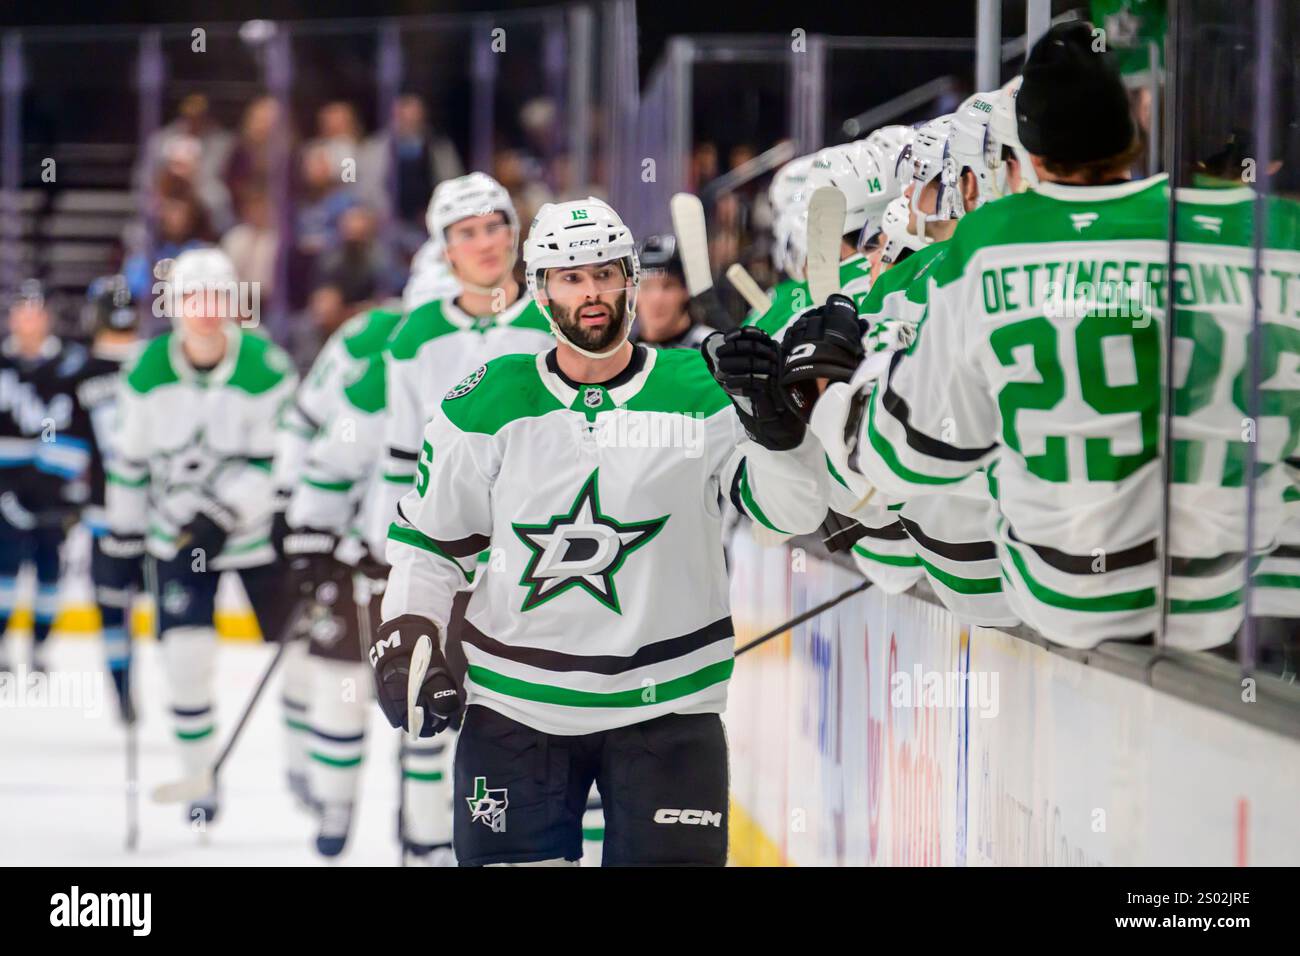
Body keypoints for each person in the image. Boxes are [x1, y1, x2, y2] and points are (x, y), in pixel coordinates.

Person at [799, 21, 1300, 651]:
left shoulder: (992, 246)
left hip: (1059, 602)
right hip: (1247, 604)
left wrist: (834, 394)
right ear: (1133, 132)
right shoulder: (1243, 234)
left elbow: (900, 456)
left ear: (1025, 158)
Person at [371, 197, 827, 866]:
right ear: (539, 289)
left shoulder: (699, 390)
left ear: (630, 281)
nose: (591, 293)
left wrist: (776, 428)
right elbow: (429, 541)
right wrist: (409, 625)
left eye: (606, 274)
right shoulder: (489, 399)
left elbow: (790, 514)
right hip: (515, 712)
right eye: (571, 277)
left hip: (668, 709)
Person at [105, 247, 299, 824]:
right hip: (175, 537)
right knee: (185, 657)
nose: (206, 310)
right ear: (174, 307)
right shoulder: (145, 370)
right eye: (193, 298)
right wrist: (122, 537)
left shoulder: (267, 365)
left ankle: (306, 768)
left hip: (256, 536)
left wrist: (222, 514)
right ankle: (199, 779)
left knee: (306, 659)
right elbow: (130, 463)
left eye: (217, 297)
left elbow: (280, 461)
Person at [0, 283, 95, 675]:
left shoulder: (69, 365)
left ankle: (40, 646)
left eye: (35, 312)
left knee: (48, 566)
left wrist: (61, 481)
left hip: (52, 483)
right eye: (21, 311)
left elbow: (74, 429)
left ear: (47, 318)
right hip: (4, 484)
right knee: (4, 566)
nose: (27, 320)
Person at [75, 276, 144, 720]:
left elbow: (67, 447)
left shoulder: (76, 373)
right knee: (181, 613)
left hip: (105, 513)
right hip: (157, 513)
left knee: (112, 607)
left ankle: (122, 688)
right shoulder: (159, 365)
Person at [630, 235, 717, 349]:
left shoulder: (713, 350)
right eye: (646, 287)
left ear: (686, 290)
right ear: (630, 292)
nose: (657, 298)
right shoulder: (620, 355)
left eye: (668, 286)